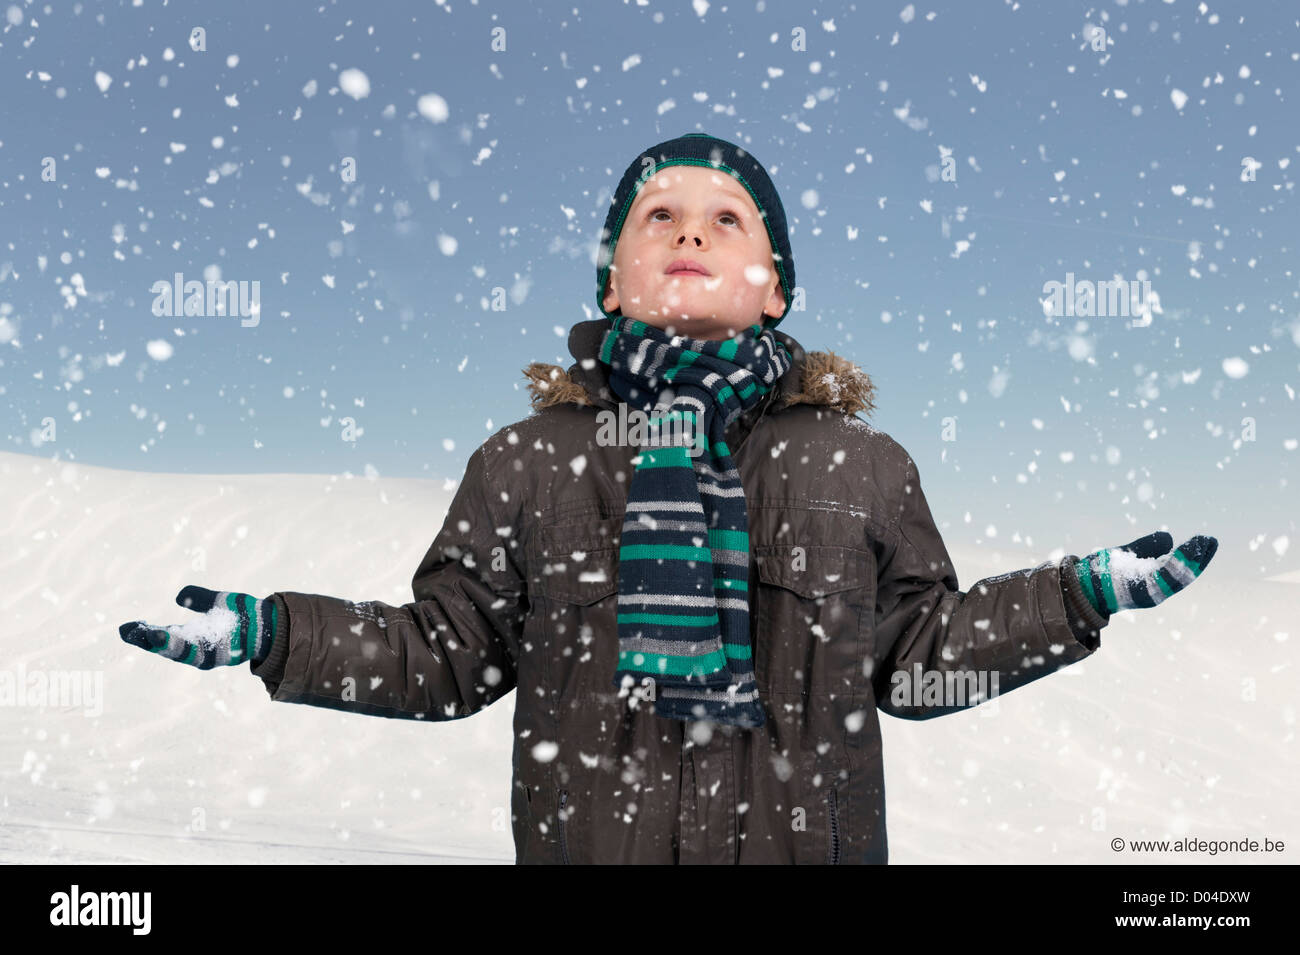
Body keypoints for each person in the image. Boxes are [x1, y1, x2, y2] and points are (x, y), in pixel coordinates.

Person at [119, 132, 1218, 863]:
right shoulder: (528, 463)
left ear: (775, 280)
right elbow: (447, 655)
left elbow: (916, 659)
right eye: (658, 216)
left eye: (726, 219)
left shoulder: (861, 466)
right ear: (609, 278)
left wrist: (1079, 596)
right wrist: (270, 635)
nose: (690, 231)